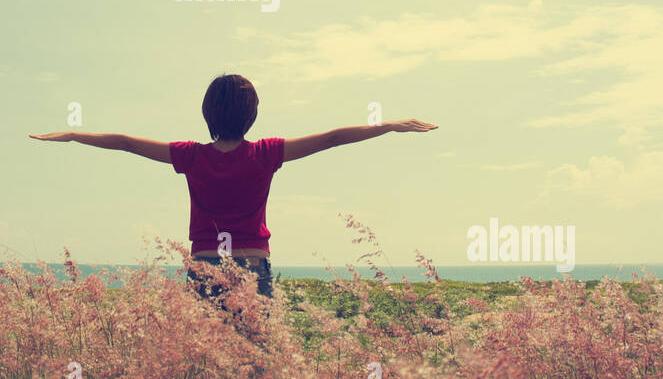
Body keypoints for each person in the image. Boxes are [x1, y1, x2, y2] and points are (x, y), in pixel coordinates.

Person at [29, 73, 436, 301]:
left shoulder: (191, 156)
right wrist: (387, 126)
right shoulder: (265, 153)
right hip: (253, 264)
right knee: (254, 363)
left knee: (209, 363)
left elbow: (126, 142)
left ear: (208, 114)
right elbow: (331, 138)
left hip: (204, 263)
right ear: (252, 115)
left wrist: (73, 135)